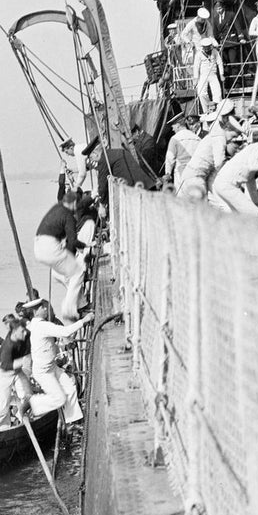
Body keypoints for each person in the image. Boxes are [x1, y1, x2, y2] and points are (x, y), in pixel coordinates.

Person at [22, 299, 94, 426]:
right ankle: (33, 402)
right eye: (43, 308)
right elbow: (65, 332)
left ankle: (72, 420)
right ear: (36, 311)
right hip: (43, 371)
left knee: (70, 388)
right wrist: (84, 320)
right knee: (59, 399)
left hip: (51, 367)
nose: (46, 309)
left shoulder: (36, 324)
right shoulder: (41, 325)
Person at [34, 191, 86, 322]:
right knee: (79, 272)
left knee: (68, 272)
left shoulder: (56, 207)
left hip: (38, 247)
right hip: (50, 247)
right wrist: (87, 245)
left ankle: (80, 303)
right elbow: (73, 241)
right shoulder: (68, 216)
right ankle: (69, 309)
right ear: (74, 203)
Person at [178, 99, 244, 201]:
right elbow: (219, 162)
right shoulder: (219, 135)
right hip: (195, 178)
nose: (232, 140)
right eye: (234, 137)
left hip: (195, 176)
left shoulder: (215, 132)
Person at [87, 145, 156, 210]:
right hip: (148, 187)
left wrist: (102, 205)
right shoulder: (118, 151)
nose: (93, 161)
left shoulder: (104, 160)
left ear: (95, 153)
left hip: (136, 196)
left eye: (91, 158)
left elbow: (102, 186)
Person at [211, 139, 258, 214]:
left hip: (219, 184)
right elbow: (253, 166)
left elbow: (251, 186)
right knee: (255, 214)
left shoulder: (248, 155)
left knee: (234, 216)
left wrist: (257, 205)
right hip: (227, 185)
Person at [0, 319, 33, 429]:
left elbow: (27, 349)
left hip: (18, 370)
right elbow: (6, 365)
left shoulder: (26, 334)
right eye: (21, 331)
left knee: (26, 396)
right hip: (5, 373)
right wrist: (20, 363)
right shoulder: (7, 347)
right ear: (14, 332)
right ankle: (0, 427)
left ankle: (22, 417)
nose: (24, 333)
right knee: (4, 403)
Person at [212, 0, 248, 87]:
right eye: (217, 9)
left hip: (232, 42)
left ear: (223, 7)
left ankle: (237, 83)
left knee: (233, 63)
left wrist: (241, 38)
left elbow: (238, 27)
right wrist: (215, 44)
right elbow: (215, 33)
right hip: (223, 44)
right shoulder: (216, 19)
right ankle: (227, 84)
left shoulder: (231, 15)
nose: (218, 10)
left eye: (220, 8)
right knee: (225, 64)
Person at [163, 116, 201, 191]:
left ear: (178, 125)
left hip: (181, 176)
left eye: (173, 126)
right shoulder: (197, 138)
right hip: (196, 174)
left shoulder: (174, 139)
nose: (173, 129)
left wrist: (168, 174)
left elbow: (170, 159)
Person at [194, 37, 224, 115]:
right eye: (205, 47)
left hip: (213, 75)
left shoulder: (215, 52)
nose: (207, 49)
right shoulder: (199, 54)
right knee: (201, 93)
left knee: (217, 93)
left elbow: (220, 63)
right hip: (203, 75)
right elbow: (196, 66)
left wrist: (221, 74)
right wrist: (196, 78)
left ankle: (218, 110)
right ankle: (206, 110)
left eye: (208, 47)